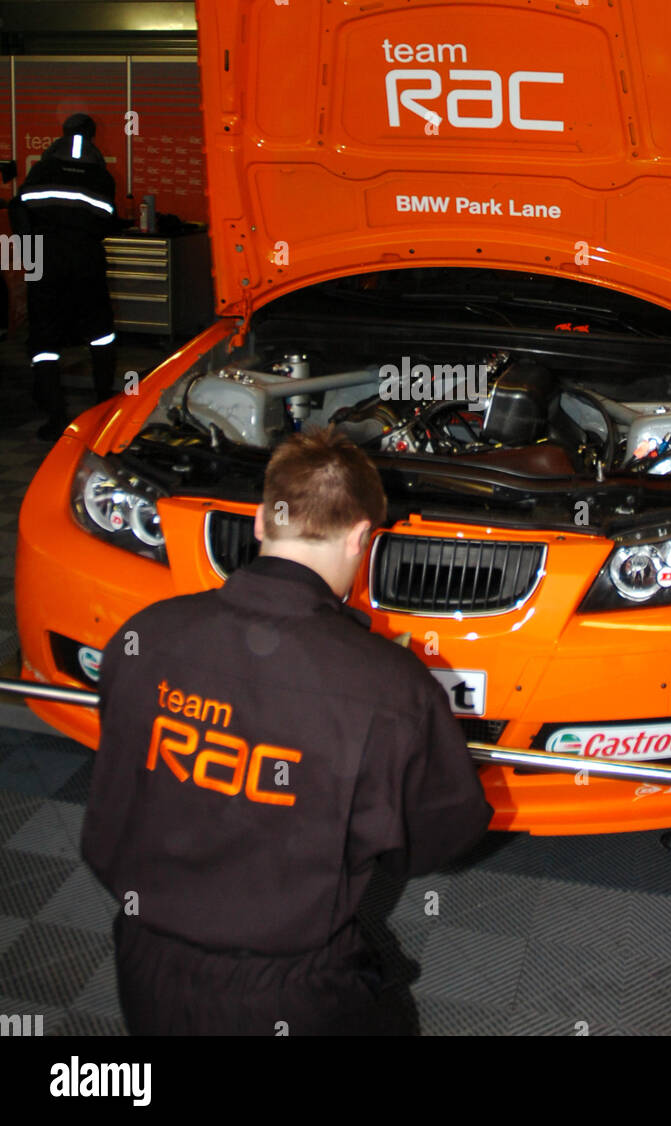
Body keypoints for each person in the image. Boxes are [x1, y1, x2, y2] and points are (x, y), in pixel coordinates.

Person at [81, 426, 493, 1036]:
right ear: (361, 538)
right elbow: (440, 839)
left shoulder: (147, 635)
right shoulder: (390, 686)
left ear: (258, 521)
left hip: (141, 963)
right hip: (293, 991)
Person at [11, 113, 118, 440]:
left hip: (43, 259)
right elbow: (107, 223)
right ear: (92, 136)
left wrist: (25, 265)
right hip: (86, 260)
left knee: (44, 339)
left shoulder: (42, 169)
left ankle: (55, 417)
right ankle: (103, 409)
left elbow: (18, 213)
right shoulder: (101, 176)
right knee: (100, 333)